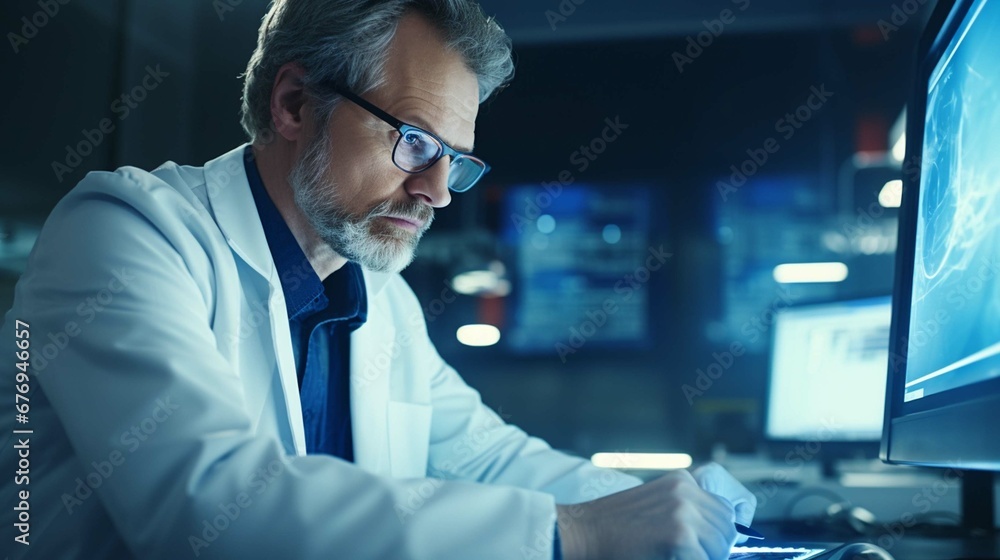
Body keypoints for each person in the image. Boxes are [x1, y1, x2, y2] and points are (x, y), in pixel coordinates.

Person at [0, 1, 756, 558]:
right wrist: (576, 536)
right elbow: (208, 506)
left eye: (456, 159)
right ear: (294, 103)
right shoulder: (125, 231)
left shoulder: (377, 296)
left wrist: (664, 506)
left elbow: (486, 457)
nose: (438, 190)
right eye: (416, 142)